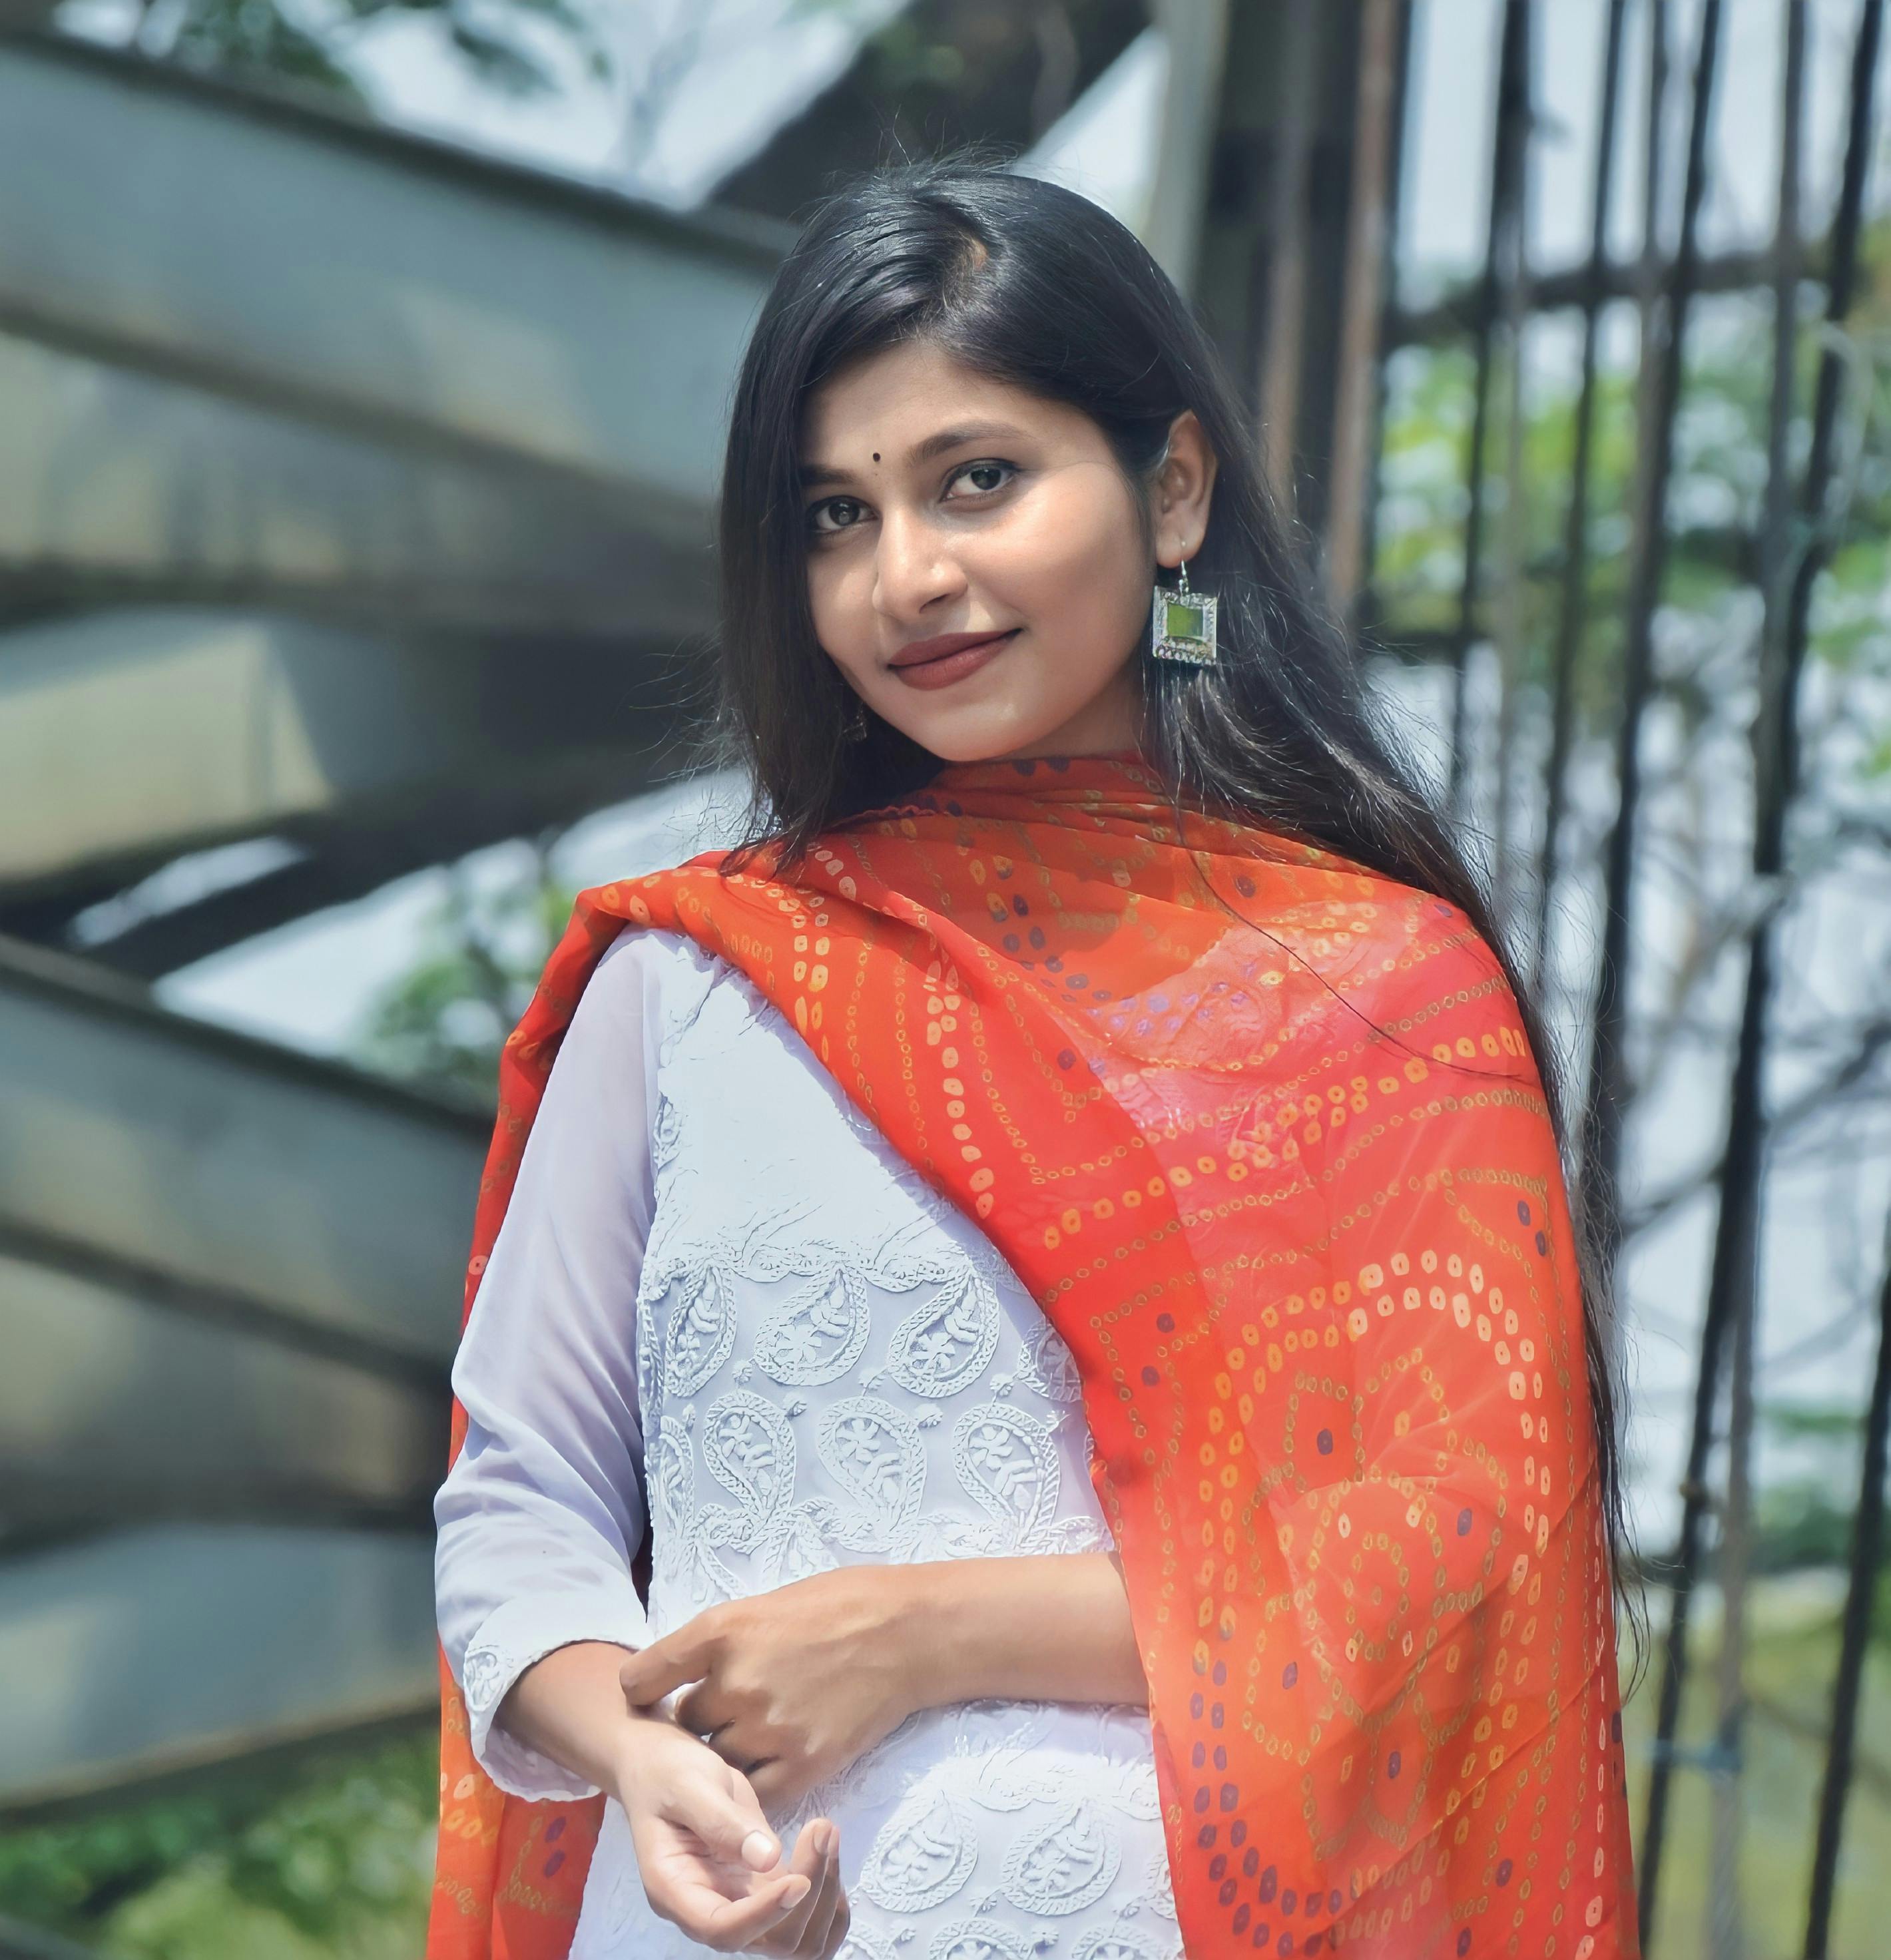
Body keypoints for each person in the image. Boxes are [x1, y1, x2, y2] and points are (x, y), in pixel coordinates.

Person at [429, 162, 1639, 1960]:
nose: (906, 577)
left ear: (1170, 489)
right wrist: (628, 1743)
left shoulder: (1379, 988)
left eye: (976, 480)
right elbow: (521, 1501)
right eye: (835, 516)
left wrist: (926, 1635)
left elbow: (1450, 1577)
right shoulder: (687, 976)